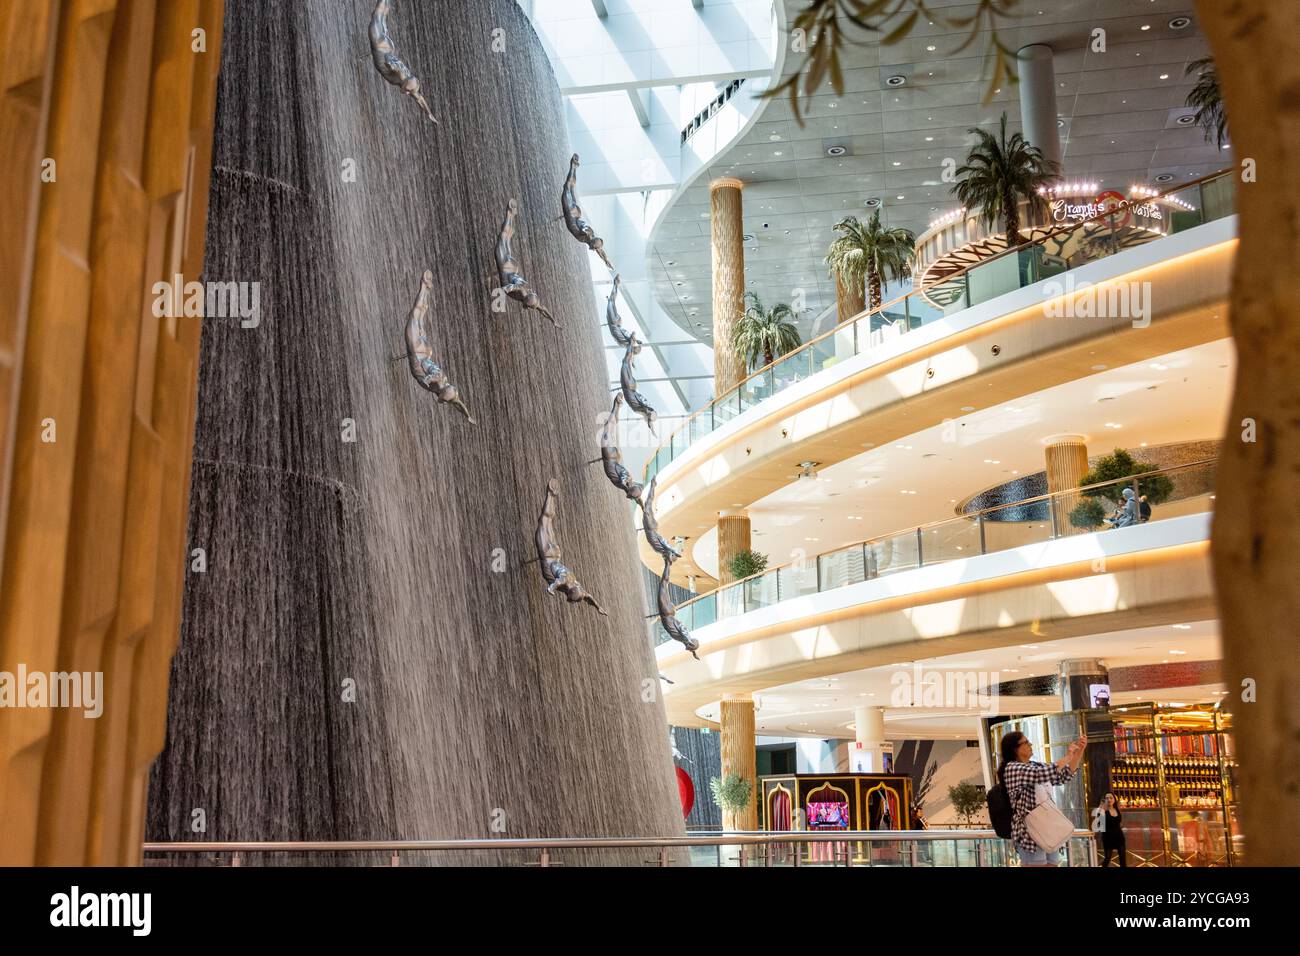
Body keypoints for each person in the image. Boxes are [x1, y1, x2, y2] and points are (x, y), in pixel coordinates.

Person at [998, 731, 1087, 867]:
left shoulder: (1034, 765)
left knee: (1052, 863)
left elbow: (1064, 775)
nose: (1030, 744)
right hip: (1029, 833)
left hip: (1048, 828)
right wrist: (1068, 756)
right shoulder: (1012, 768)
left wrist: (1078, 752)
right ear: (1015, 748)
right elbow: (1044, 773)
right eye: (1026, 742)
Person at [1098, 792, 1126, 867]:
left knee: (1123, 859)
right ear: (1105, 800)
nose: (1109, 799)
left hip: (1119, 837)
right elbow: (1099, 825)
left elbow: (1119, 822)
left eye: (1111, 798)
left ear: (1114, 800)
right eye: (1107, 798)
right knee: (1107, 858)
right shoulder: (1103, 810)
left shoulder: (1117, 809)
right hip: (1108, 838)